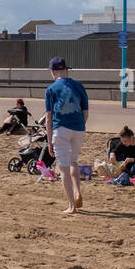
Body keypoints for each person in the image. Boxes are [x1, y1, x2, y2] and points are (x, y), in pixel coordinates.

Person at [44, 57, 89, 214]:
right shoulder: (79, 86)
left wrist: (49, 142)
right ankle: (78, 191)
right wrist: (80, 126)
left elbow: (49, 118)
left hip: (61, 129)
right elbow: (85, 112)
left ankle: (72, 206)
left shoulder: (51, 89)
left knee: (63, 169)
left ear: (53, 71)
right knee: (73, 162)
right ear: (67, 70)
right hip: (79, 129)